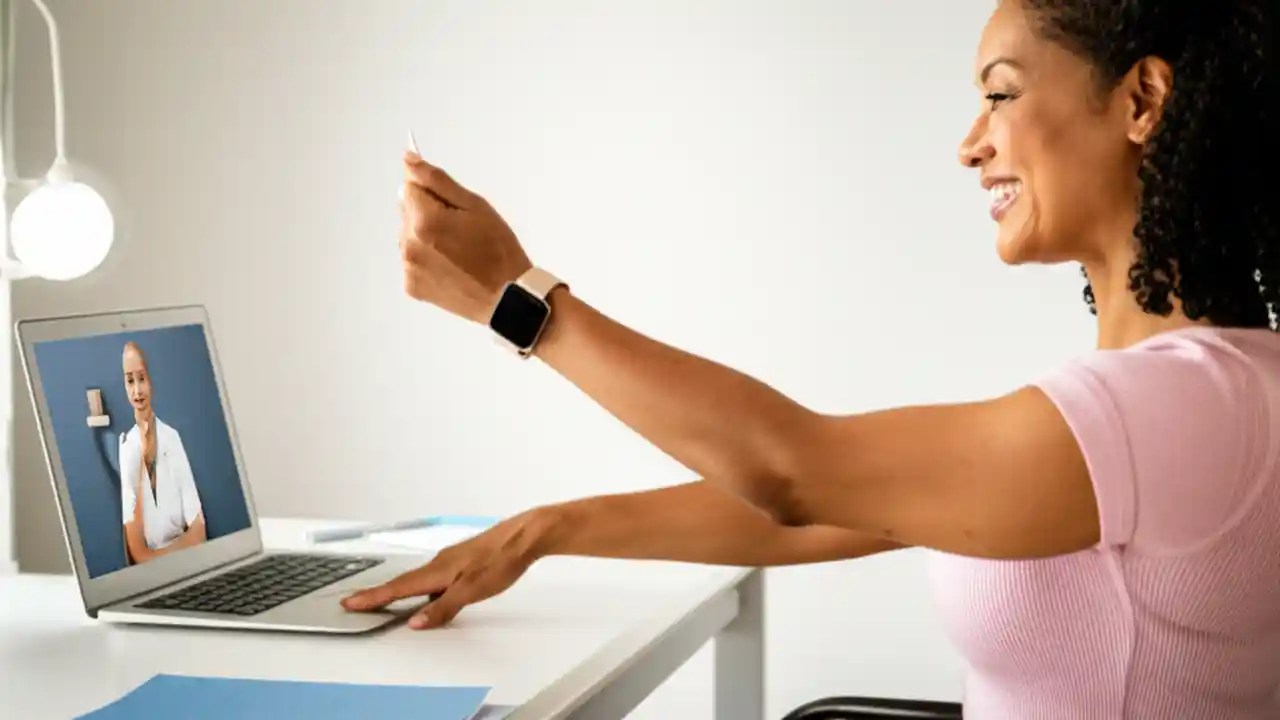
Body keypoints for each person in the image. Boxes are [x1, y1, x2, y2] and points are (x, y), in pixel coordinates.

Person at [344, 0, 1277, 716]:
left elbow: (794, 470)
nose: (970, 143)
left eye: (1000, 93)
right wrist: (542, 529)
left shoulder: (1176, 408)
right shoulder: (1211, 391)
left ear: (1142, 101)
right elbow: (818, 510)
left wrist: (520, 301)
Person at [119, 341, 206, 564]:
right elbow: (137, 551)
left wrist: (156, 559)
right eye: (130, 380)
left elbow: (198, 533)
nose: (137, 390)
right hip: (152, 575)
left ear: (152, 381)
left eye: (142, 378)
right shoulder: (127, 447)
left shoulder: (172, 438)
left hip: (189, 564)